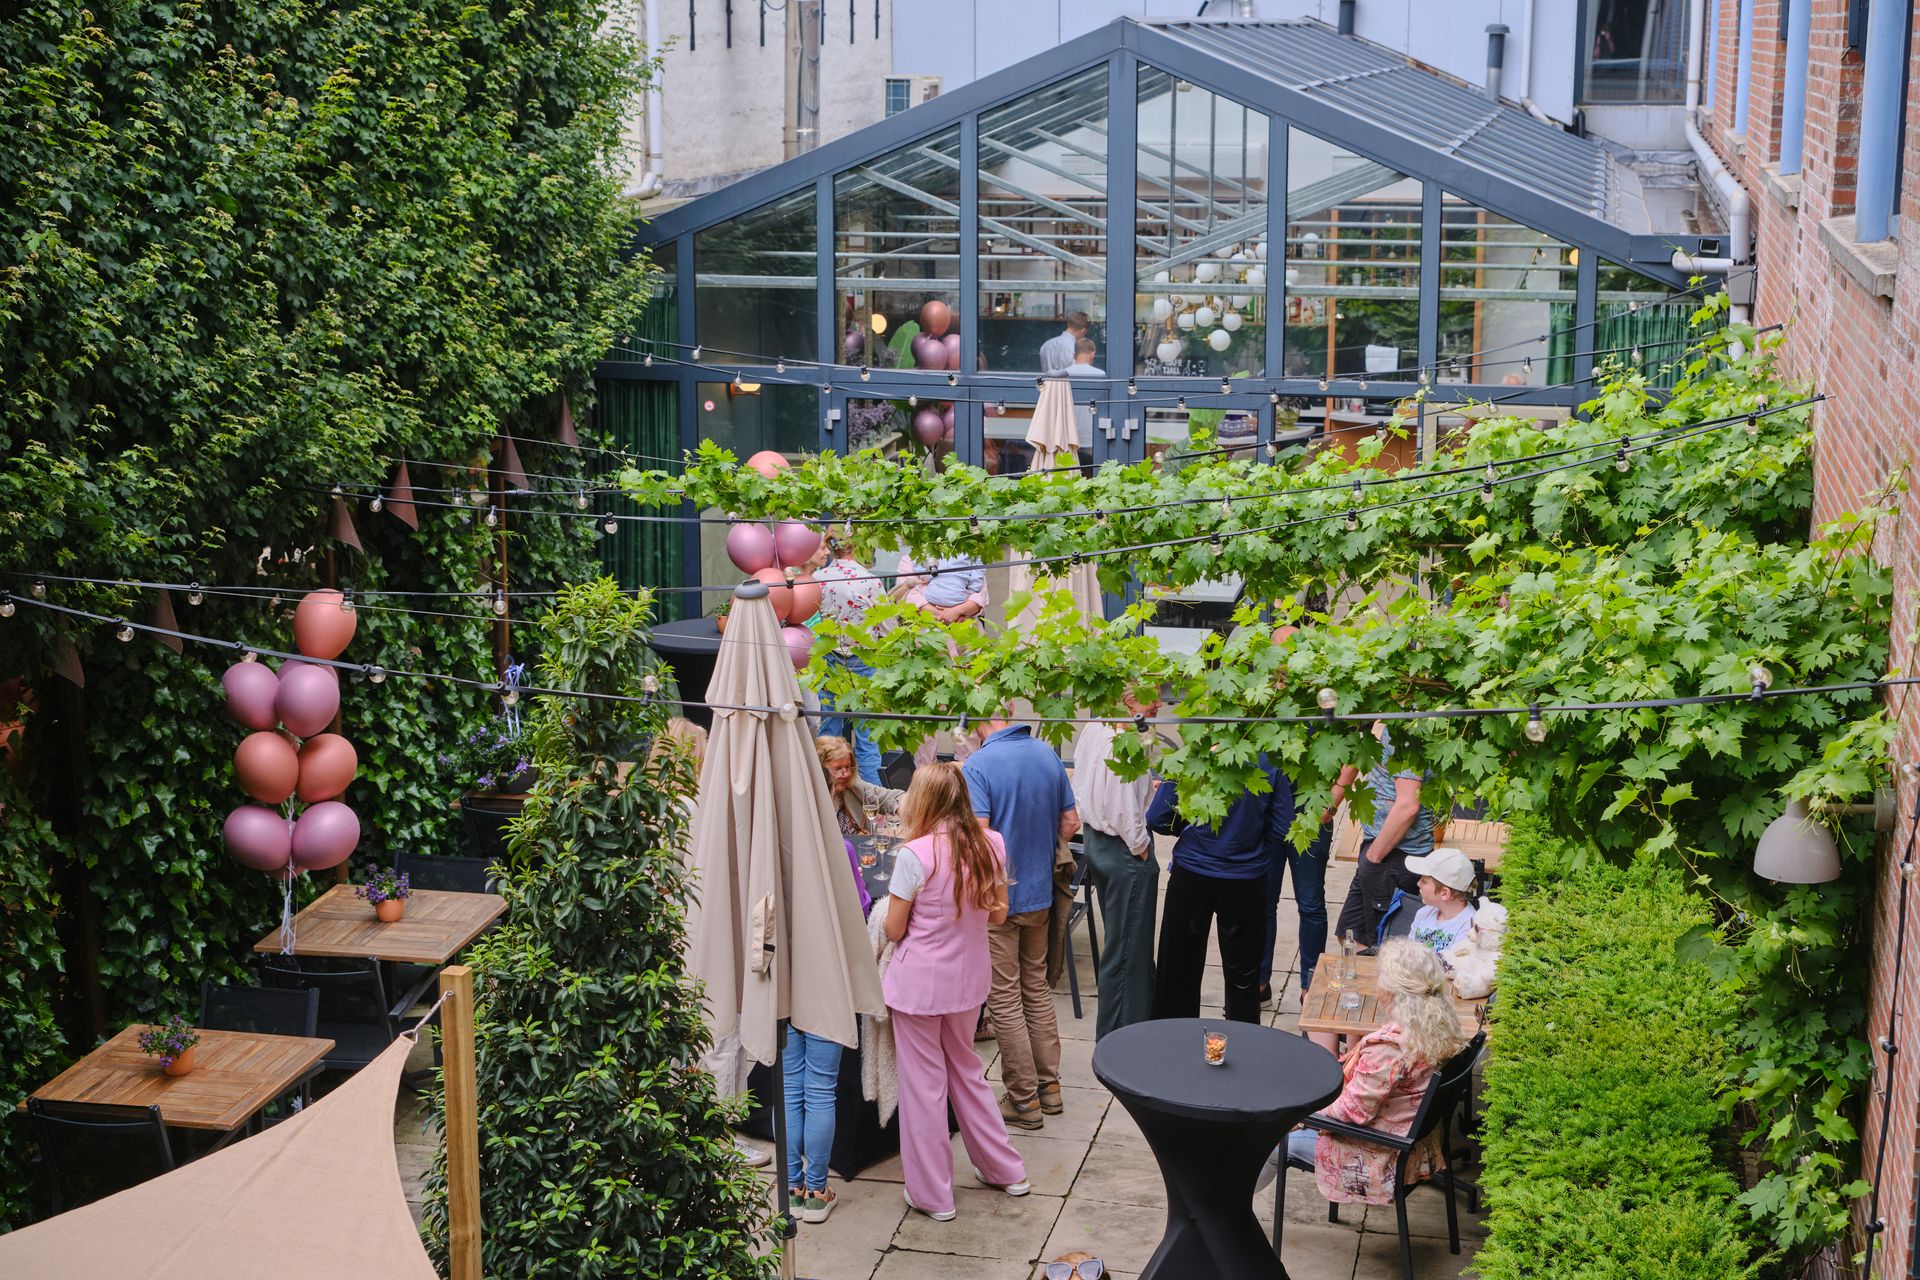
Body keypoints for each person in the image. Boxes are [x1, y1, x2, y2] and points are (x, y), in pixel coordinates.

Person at [883, 763, 1031, 1221]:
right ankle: (1006, 1170)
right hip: (968, 982)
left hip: (918, 986)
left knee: (924, 1088)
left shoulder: (915, 854)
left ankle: (933, 1195)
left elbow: (892, 929)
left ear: (923, 800)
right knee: (967, 1072)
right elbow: (998, 917)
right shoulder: (993, 844)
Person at [1258, 940, 1468, 1206]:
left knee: (1269, 1141)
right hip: (1412, 1139)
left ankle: (1225, 1205)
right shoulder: (1440, 1023)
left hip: (1376, 1152)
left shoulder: (1390, 1049)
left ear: (1392, 990)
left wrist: (1299, 1113)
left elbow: (1353, 1112)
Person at [656, 717, 773, 1170]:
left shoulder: (656, 803)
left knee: (687, 1030)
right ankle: (719, 1135)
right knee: (721, 1029)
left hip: (667, 933)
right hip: (696, 928)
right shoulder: (691, 806)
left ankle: (688, 1123)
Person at [963, 712, 1078, 1130]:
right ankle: (1050, 1089)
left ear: (976, 721)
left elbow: (979, 836)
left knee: (1005, 998)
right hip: (1040, 892)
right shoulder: (1047, 754)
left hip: (998, 899)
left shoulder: (978, 764)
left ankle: (1023, 1099)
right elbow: (1071, 822)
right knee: (1037, 987)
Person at [1146, 755, 1291, 1025]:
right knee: (1244, 979)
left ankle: (1172, 1047)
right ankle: (1242, 1048)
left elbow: (1157, 817)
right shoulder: (1271, 759)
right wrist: (1251, 840)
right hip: (1246, 877)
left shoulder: (1196, 750)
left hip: (1193, 871)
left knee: (1177, 970)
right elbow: (1283, 827)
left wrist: (1190, 828)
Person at [781, 812, 874, 1223]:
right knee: (820, 1089)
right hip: (827, 978)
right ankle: (816, 1191)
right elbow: (861, 907)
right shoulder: (840, 847)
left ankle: (790, 1186)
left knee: (789, 1087)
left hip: (784, 978)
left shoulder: (770, 848)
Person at [1070, 688, 1161, 1038]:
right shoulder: (1128, 745)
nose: (1158, 704)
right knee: (1127, 956)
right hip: (1124, 851)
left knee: (1122, 947)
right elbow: (1125, 809)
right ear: (1127, 701)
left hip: (1096, 843)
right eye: (1151, 698)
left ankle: (1128, 1033)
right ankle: (1120, 1039)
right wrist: (1141, 848)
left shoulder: (1095, 728)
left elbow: (1083, 783)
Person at [1258, 625, 1331, 1008]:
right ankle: (1259, 981)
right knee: (1262, 901)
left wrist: (1330, 802)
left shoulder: (1322, 693)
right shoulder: (1260, 696)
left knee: (1311, 904)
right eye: (1278, 652)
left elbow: (1348, 747)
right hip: (1268, 817)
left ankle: (1309, 984)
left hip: (1309, 815)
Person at [1331, 721, 1433, 949]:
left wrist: (1374, 857)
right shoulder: (1389, 726)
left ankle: (1379, 984)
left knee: (1386, 949)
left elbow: (1408, 806)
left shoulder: (1405, 731)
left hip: (1395, 855)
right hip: (1382, 851)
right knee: (1351, 934)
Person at [812, 534, 886, 783]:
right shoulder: (870, 580)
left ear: (832, 548)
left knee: (830, 731)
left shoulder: (817, 579)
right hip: (864, 660)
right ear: (856, 546)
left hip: (831, 661)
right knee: (868, 736)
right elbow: (885, 624)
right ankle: (873, 802)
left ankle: (826, 792)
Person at [817, 735, 903, 836]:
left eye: (848, 767)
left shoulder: (852, 785)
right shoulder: (812, 802)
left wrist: (903, 808)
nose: (846, 773)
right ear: (820, 768)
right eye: (838, 768)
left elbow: (893, 796)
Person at [1402, 847, 1478, 955]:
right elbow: (1408, 955)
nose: (1418, 883)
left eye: (1424, 881)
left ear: (1444, 893)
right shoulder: (1423, 913)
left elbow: (1456, 969)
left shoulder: (1469, 928)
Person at [1039, 311, 1090, 376]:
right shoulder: (1075, 349)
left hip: (1047, 384)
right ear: (1083, 331)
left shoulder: (1046, 345)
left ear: (1068, 324)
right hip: (1068, 385)